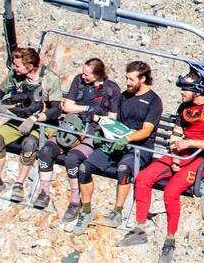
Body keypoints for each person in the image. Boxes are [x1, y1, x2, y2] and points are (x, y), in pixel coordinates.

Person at [118, 62, 204, 263]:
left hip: (198, 159)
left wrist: (191, 143)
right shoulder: (184, 108)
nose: (182, 93)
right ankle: (139, 228)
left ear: (198, 90)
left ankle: (170, 240)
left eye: (186, 89)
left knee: (171, 192)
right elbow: (175, 134)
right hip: (180, 154)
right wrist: (175, 153)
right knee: (142, 179)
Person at [62, 60, 162, 235]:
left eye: (131, 79)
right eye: (126, 79)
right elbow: (114, 120)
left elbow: (146, 131)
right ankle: (85, 210)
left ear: (143, 79)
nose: (128, 83)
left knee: (123, 168)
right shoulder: (124, 96)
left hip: (139, 147)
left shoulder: (154, 101)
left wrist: (126, 138)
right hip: (116, 143)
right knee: (84, 167)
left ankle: (117, 212)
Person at [35, 58, 120, 220]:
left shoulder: (111, 89)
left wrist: (95, 118)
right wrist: (86, 108)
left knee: (73, 159)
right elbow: (67, 106)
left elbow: (112, 119)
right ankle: (44, 192)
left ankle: (75, 202)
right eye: (83, 72)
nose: (83, 76)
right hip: (72, 126)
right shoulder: (79, 81)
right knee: (46, 151)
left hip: (93, 132)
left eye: (87, 74)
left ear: (98, 74)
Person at [0, 47, 62, 205]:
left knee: (30, 144)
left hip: (42, 122)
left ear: (30, 66)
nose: (14, 68)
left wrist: (36, 118)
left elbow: (56, 110)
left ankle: (19, 184)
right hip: (20, 118)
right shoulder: (15, 76)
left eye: (18, 65)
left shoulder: (50, 79)